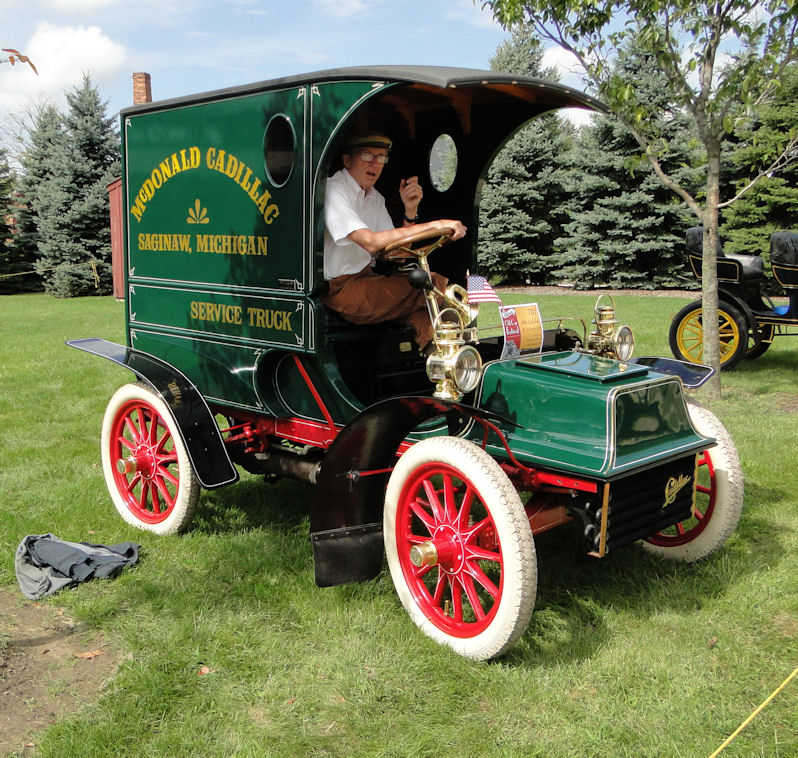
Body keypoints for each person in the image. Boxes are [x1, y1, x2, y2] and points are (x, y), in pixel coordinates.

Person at [322, 131, 467, 351]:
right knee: (433, 286)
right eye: (367, 155)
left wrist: (410, 211)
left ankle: (450, 370)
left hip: (368, 281)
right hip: (342, 291)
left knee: (426, 316)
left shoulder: (374, 197)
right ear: (347, 159)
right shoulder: (334, 190)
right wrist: (435, 225)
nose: (376, 163)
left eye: (381, 157)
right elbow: (370, 242)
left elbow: (396, 256)